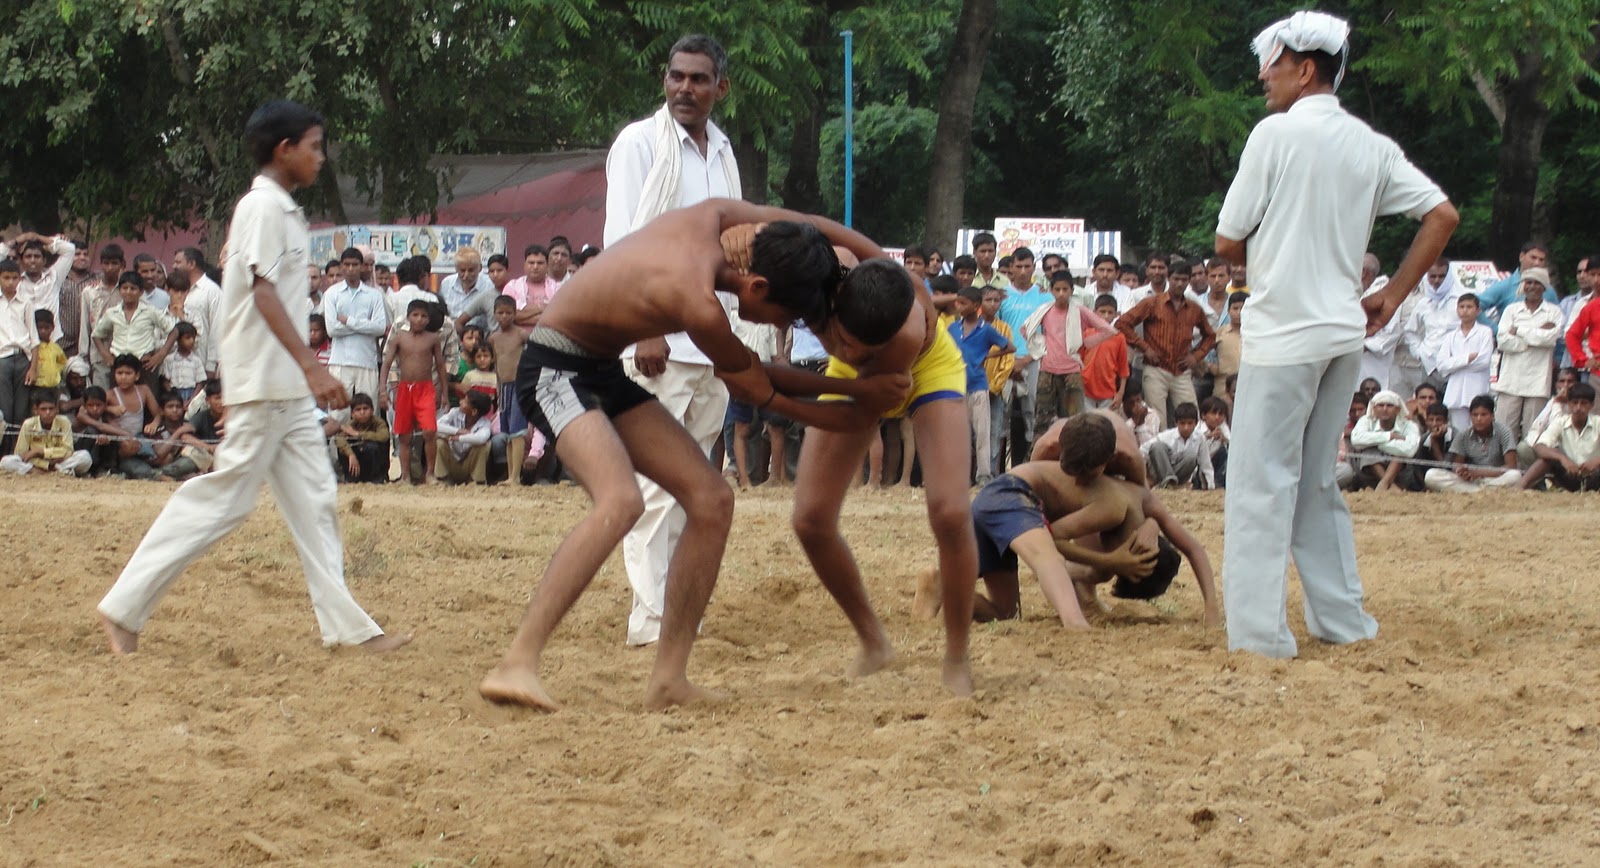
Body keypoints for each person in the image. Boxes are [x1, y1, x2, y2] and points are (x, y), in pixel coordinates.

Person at [480, 198, 906, 711]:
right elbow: (755, 384)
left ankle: (668, 678)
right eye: (786, 318)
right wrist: (862, 399)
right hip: (553, 366)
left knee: (712, 500)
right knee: (620, 502)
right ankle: (517, 662)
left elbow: (809, 224)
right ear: (757, 288)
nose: (782, 327)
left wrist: (880, 260)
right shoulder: (698, 303)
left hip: (599, 370)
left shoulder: (708, 219)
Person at [96, 100, 410, 655]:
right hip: (266, 382)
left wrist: (305, 372)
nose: (321, 156)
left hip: (283, 386)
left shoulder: (278, 210)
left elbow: (257, 284)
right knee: (226, 498)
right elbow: (263, 294)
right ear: (283, 150)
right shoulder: (262, 208)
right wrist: (313, 366)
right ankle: (124, 608)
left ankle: (349, 630)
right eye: (314, 145)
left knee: (315, 501)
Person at [1215, 10, 1458, 658]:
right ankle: (1343, 622)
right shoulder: (1370, 144)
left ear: (1304, 68)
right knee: (1317, 481)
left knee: (1260, 484)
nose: (1264, 76)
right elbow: (1442, 214)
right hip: (1343, 333)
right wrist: (1393, 292)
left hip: (1282, 334)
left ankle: (1260, 638)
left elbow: (1227, 240)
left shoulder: (1274, 136)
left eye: (1273, 64)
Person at [602, 34, 744, 650]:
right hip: (659, 339)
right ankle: (650, 622)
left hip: (711, 338)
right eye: (676, 77)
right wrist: (645, 327)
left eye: (698, 79)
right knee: (657, 490)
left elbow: (731, 242)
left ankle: (679, 612)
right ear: (665, 80)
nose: (685, 88)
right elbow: (623, 242)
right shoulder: (639, 143)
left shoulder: (724, 150)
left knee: (696, 489)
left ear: (721, 88)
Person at [963, 413, 1154, 629]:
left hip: (991, 503)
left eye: (1086, 474)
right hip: (1010, 496)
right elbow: (1038, 512)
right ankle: (1075, 622)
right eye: (1071, 472)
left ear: (1108, 461)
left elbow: (1147, 503)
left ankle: (941, 588)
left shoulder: (1128, 458)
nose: (1079, 481)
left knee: (1006, 614)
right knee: (1048, 558)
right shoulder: (1048, 447)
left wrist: (1152, 527)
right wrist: (1108, 560)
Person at [1116, 266, 1216, 425]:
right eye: (1176, 279)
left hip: (1182, 370)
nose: (1179, 283)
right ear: (1169, 279)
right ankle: (1158, 449)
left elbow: (1210, 336)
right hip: (1156, 368)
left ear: (1188, 281)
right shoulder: (1152, 303)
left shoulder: (1194, 308)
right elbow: (1122, 323)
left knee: (1191, 416)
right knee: (1156, 419)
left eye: (1184, 280)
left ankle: (1190, 449)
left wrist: (1195, 356)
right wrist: (1145, 348)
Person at [1024, 270, 1115, 438]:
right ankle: (1040, 457)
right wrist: (1041, 345)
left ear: (1072, 291)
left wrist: (1085, 343)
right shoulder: (1044, 311)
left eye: (1065, 289)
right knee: (1042, 420)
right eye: (1057, 289)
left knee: (1076, 420)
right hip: (1047, 371)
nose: (1061, 294)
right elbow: (1026, 330)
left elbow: (1108, 329)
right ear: (1051, 290)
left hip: (1072, 371)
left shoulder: (1080, 311)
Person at [948, 284, 1013, 486]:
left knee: (982, 434)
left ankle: (983, 475)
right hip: (957, 387)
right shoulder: (952, 328)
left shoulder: (986, 330)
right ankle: (960, 476)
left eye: (963, 303)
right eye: (958, 303)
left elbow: (1009, 347)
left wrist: (989, 354)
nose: (959, 306)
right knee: (960, 434)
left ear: (976, 305)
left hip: (978, 386)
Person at [379, 299, 449, 486]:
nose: (419, 319)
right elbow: (386, 363)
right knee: (404, 435)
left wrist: (443, 393)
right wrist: (383, 391)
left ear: (428, 319)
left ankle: (431, 474)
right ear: (408, 317)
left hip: (426, 389)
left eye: (423, 316)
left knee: (429, 431)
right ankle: (405, 476)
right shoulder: (399, 337)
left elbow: (440, 365)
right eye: (415, 315)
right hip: (404, 389)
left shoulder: (433, 338)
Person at [1493, 267, 1560, 441]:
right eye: (1528, 282)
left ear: (1544, 287)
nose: (1532, 286)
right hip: (1510, 380)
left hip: (1537, 381)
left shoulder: (1554, 312)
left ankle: (1527, 468)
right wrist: (1536, 335)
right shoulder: (1512, 310)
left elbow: (1550, 339)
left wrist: (1519, 330)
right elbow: (1503, 341)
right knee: (1504, 430)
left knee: (1533, 433)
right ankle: (1505, 467)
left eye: (1537, 283)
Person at [323, 246, 387, 423]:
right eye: (347, 265)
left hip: (366, 360)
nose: (351, 269)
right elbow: (332, 329)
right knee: (338, 413)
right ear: (341, 266)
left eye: (355, 265)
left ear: (362, 266)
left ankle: (370, 450)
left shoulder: (374, 295)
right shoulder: (331, 294)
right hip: (340, 361)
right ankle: (336, 452)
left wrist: (350, 321)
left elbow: (380, 328)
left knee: (368, 414)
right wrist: (365, 325)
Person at [92, 270, 178, 384]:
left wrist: (161, 354)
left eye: (133, 289)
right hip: (119, 365)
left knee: (146, 399)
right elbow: (96, 335)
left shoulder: (150, 311)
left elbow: (174, 331)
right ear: (120, 290)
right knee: (118, 400)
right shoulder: (112, 313)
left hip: (144, 365)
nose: (128, 292)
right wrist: (105, 355)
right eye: (124, 288)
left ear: (141, 292)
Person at [1423, 394, 1522, 492]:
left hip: (1496, 478)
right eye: (1475, 415)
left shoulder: (1504, 431)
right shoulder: (1463, 435)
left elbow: (1511, 466)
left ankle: (1477, 492)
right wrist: (1462, 472)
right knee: (1431, 476)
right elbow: (1457, 466)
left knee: (1515, 475)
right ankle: (1484, 492)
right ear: (1470, 416)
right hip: (1471, 481)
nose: (1479, 419)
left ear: (1492, 416)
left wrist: (1479, 473)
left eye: (1483, 414)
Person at [488, 294, 531, 483]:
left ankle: (516, 476)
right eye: (500, 313)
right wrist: (497, 390)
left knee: (518, 430)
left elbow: (534, 357)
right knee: (507, 433)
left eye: (508, 313)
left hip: (520, 385)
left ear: (515, 314)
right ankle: (511, 474)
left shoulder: (522, 334)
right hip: (504, 387)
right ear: (494, 314)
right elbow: (496, 365)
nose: (504, 317)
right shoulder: (493, 338)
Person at [1526, 382, 1600, 491]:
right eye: (1575, 403)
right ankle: (1519, 487)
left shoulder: (1598, 422)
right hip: (1569, 475)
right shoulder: (1560, 422)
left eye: (1584, 403)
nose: (1578, 407)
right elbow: (1539, 446)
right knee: (1547, 459)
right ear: (1568, 404)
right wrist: (1562, 458)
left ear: (1592, 405)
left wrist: (1597, 461)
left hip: (1595, 476)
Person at [1, 233, 75, 343]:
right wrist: (18, 240)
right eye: (28, 256)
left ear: (44, 261)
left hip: (52, 341)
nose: (32, 260)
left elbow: (69, 249)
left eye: (37, 256)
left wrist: (39, 237)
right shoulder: (15, 282)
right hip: (24, 343)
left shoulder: (54, 277)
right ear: (21, 261)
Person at [1437, 293, 1493, 432]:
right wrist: (1466, 358)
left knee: (1479, 428)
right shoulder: (1451, 336)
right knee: (1458, 432)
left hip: (1477, 387)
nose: (1465, 310)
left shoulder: (1485, 332)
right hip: (1456, 390)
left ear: (1477, 310)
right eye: (1461, 307)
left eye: (1469, 307)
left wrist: (1454, 364)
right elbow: (1442, 365)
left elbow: (1483, 361)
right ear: (1457, 310)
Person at [1, 257, 40, 449]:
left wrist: (33, 367)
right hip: (2, 359)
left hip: (23, 359)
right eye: (6, 277)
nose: (10, 282)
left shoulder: (26, 303)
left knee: (21, 409)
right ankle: (4, 452)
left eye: (14, 277)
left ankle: (17, 451)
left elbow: (34, 339)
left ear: (19, 279)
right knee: (5, 408)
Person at [1, 393, 91, 476]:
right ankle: (49, 472)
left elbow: (68, 450)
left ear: (57, 409)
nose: (48, 413)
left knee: (85, 457)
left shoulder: (64, 422)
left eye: (51, 409)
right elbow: (22, 453)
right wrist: (44, 464)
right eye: (43, 409)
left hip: (60, 463)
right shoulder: (29, 424)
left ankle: (55, 471)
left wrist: (39, 451)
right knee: (6, 462)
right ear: (36, 410)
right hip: (35, 464)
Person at [1347, 389, 1419, 491]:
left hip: (1401, 476)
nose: (1385, 409)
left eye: (1389, 406)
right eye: (1381, 405)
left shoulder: (1409, 425)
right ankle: (1390, 486)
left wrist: (1376, 442)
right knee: (1369, 452)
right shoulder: (1366, 421)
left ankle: (1385, 482)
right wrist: (1389, 436)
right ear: (1374, 408)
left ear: (1398, 409)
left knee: (1400, 454)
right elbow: (1356, 440)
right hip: (1369, 476)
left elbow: (1410, 449)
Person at [172, 247, 223, 378]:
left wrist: (211, 364)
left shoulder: (211, 291)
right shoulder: (176, 290)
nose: (174, 266)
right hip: (175, 366)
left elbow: (217, 328)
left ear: (191, 264)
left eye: (178, 262)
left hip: (201, 363)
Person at [1140, 402, 1215, 489]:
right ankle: (1167, 481)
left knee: (1192, 457)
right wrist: (1145, 476)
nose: (1186, 427)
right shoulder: (1166, 436)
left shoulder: (1199, 437)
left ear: (1196, 423)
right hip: (1158, 473)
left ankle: (1168, 483)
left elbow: (1205, 463)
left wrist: (1210, 485)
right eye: (1182, 423)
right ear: (1176, 423)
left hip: (1181, 477)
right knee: (1157, 446)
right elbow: (1142, 450)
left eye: (1190, 423)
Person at [1081, 295, 1130, 411]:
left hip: (1108, 391)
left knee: (1105, 425)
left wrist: (1120, 393)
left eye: (1110, 312)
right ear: (1094, 312)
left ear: (1116, 315)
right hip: (1086, 389)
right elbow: (1078, 360)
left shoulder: (1119, 337)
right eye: (1102, 312)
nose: (1106, 316)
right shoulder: (1086, 334)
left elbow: (1123, 368)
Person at [435, 391, 493, 484]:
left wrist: (458, 438)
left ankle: (476, 481)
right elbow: (437, 426)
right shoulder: (455, 412)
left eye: (465, 401)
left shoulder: (485, 423)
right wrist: (458, 431)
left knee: (484, 445)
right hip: (451, 462)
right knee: (440, 442)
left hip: (469, 465)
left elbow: (481, 438)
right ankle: (443, 478)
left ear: (474, 411)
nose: (460, 402)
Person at [337, 392, 390, 483]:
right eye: (358, 409)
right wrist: (351, 454)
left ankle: (377, 479)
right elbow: (339, 439)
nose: (362, 412)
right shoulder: (350, 424)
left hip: (375, 463)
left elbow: (384, 436)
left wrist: (358, 434)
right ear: (352, 414)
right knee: (343, 449)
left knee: (372, 446)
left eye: (365, 408)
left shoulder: (378, 422)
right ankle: (352, 477)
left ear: (372, 410)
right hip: (357, 463)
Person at [1563, 255, 1600, 377]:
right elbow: (1570, 334)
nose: (1596, 280)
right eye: (1593, 275)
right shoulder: (1587, 305)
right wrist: (1583, 360)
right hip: (1592, 369)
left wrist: (1587, 334)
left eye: (1599, 275)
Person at [160, 321, 206, 405]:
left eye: (193, 337)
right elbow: (165, 381)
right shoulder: (169, 359)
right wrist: (174, 397)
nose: (192, 341)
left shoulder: (196, 360)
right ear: (177, 340)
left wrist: (191, 400)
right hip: (174, 394)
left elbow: (200, 382)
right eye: (187, 338)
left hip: (192, 394)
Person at [29, 309, 65, 409]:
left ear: (53, 328)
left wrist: (56, 371)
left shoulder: (55, 347)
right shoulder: (32, 348)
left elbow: (62, 361)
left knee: (53, 408)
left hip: (53, 386)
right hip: (37, 387)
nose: (43, 331)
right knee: (36, 410)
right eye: (39, 328)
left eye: (46, 328)